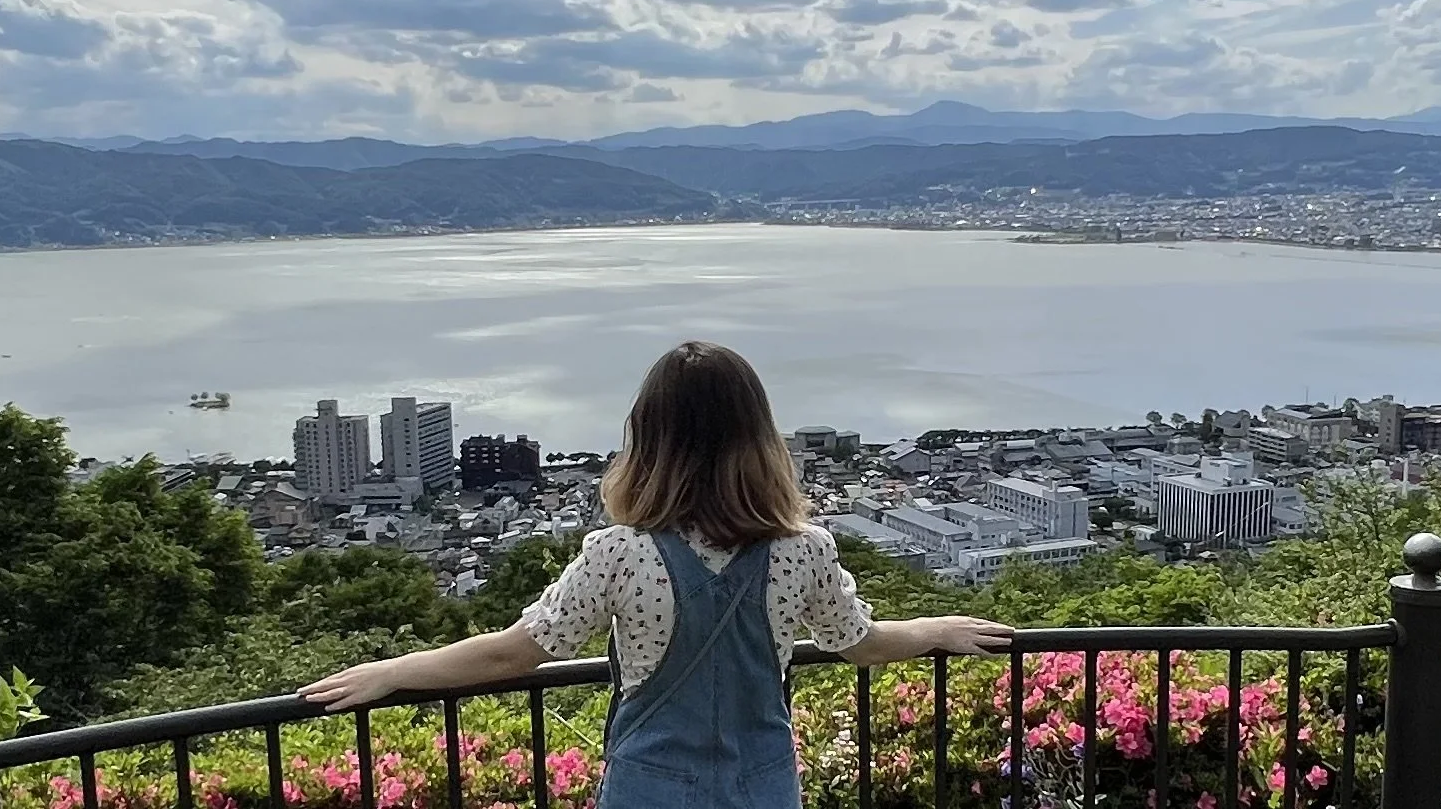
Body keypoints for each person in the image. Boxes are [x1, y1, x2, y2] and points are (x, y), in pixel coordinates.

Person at [301, 341, 1011, 808]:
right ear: (757, 435)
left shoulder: (620, 551)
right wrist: (935, 629)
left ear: (648, 435)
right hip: (763, 786)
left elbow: (513, 651)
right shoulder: (804, 547)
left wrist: (394, 668)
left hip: (648, 788)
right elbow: (859, 642)